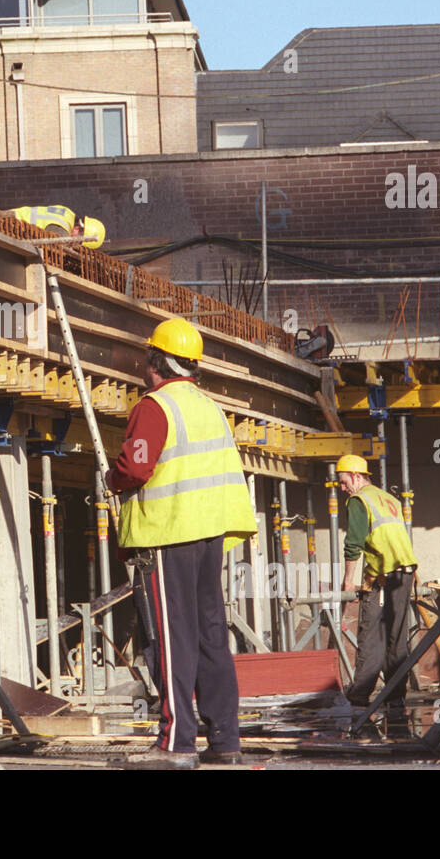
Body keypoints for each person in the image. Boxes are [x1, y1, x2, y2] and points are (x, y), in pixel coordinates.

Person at [106, 317, 256, 769]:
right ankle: (225, 741)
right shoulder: (207, 406)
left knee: (174, 640)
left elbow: (135, 468)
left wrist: (111, 478)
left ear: (156, 362)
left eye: (145, 357)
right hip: (209, 534)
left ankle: (176, 744)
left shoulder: (155, 406)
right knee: (211, 635)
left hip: (169, 533)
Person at [336, 454, 418, 721]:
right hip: (404, 573)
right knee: (397, 639)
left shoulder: (359, 500)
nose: (342, 487)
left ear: (357, 477)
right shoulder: (388, 499)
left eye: (343, 481)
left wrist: (349, 579)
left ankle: (359, 698)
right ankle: (396, 698)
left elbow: (354, 543)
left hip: (383, 576)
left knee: (371, 636)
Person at [8, 205, 105, 248]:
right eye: (79, 242)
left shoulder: (68, 214)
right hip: (10, 226)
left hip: (14, 217)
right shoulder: (61, 230)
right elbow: (56, 248)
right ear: (77, 229)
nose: (75, 244)